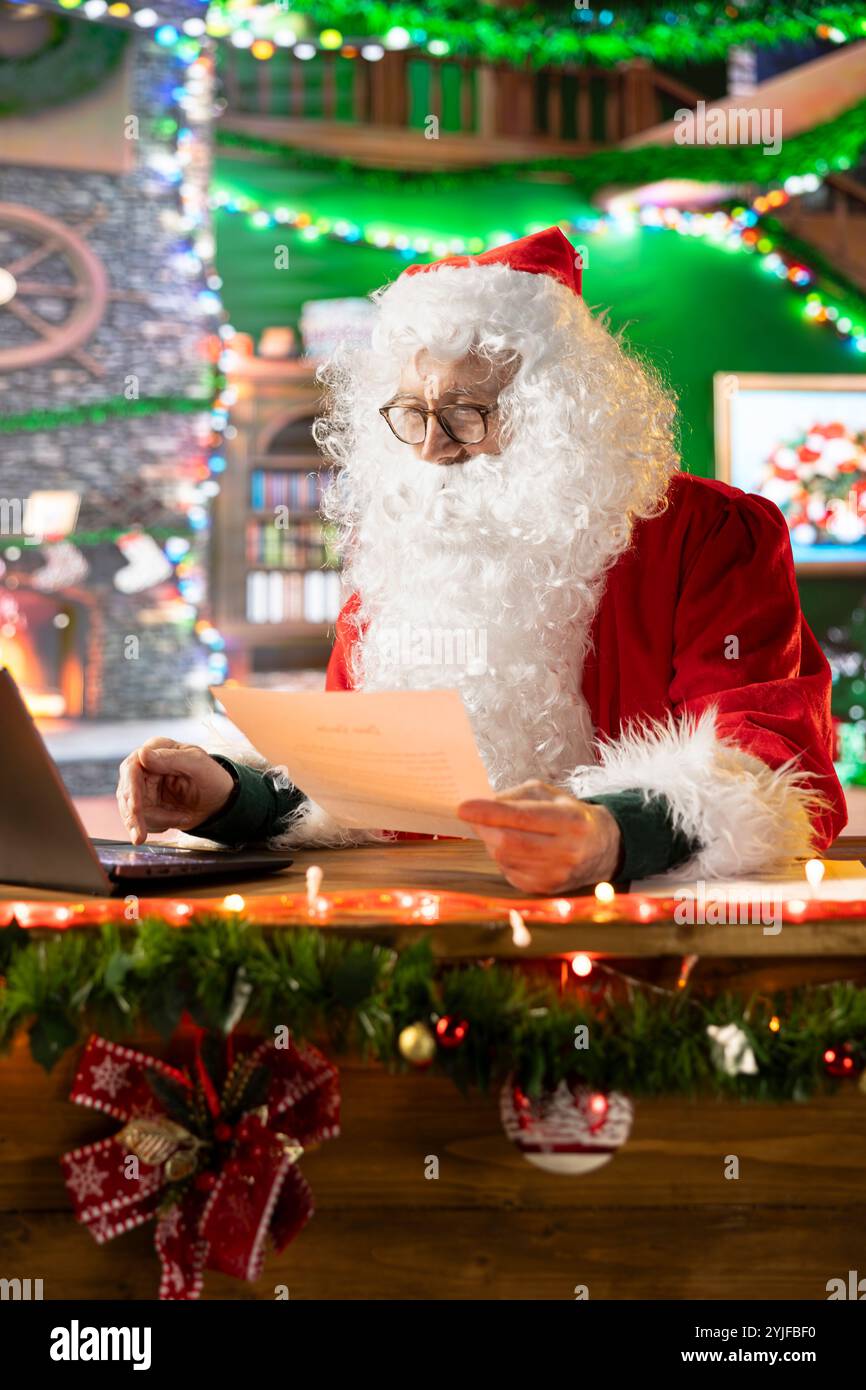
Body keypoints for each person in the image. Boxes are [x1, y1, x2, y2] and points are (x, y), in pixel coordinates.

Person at [116, 227, 847, 894]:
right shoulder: (409, 549)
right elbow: (354, 786)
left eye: (467, 412)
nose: (433, 448)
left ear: (554, 415)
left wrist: (612, 836)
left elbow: (767, 759)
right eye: (413, 413)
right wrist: (223, 794)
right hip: (419, 923)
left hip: (641, 935)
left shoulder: (710, 532)